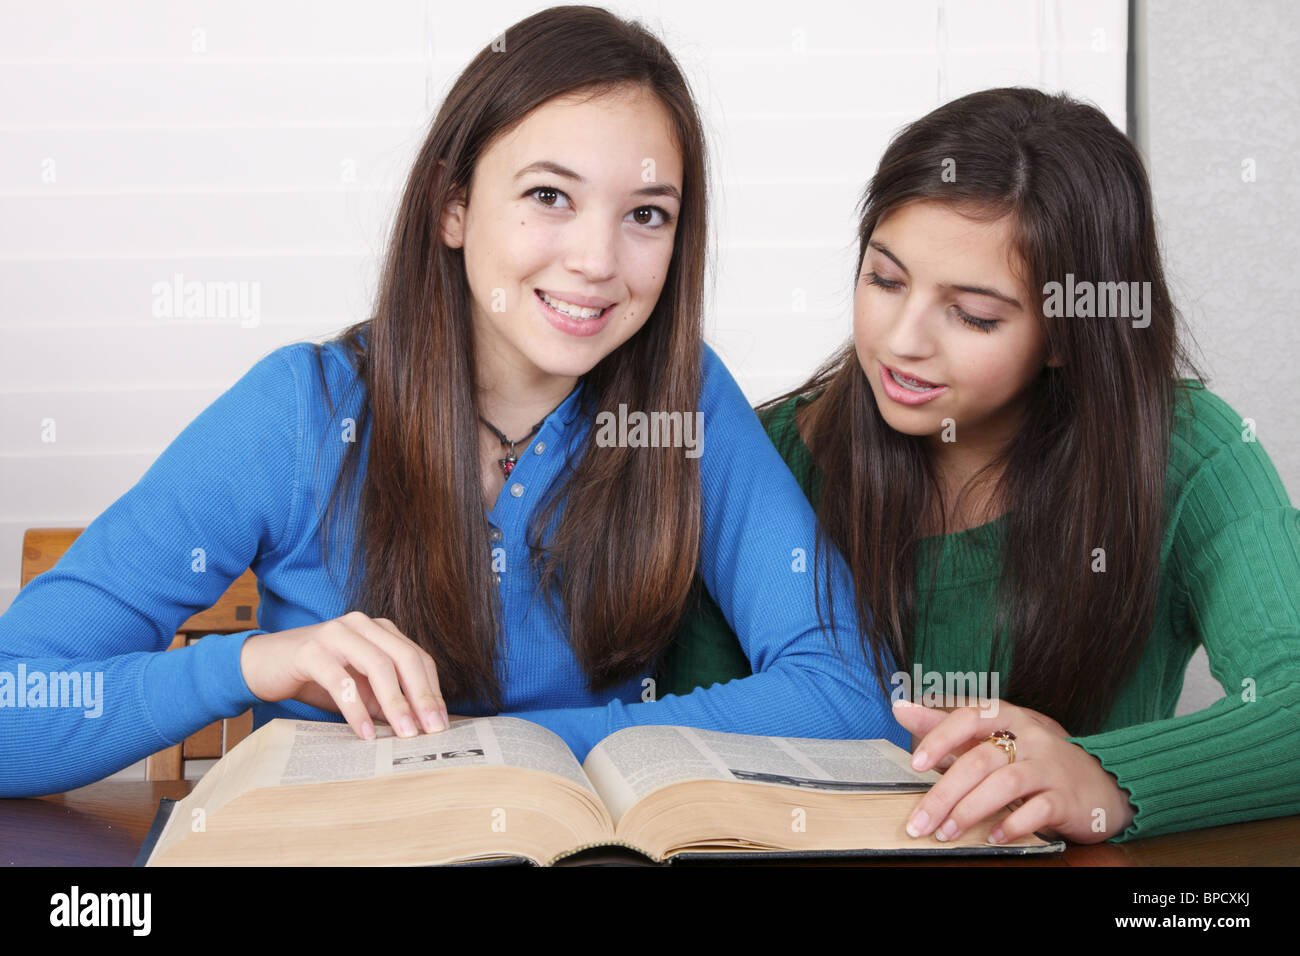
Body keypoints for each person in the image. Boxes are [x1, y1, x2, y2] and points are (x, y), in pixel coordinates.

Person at [0, 5, 908, 799]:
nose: (597, 260)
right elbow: (15, 700)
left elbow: (849, 689)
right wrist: (242, 665)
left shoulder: (684, 405)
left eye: (646, 215)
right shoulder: (298, 411)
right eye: (549, 195)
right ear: (453, 207)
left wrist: (510, 753)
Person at [658, 87, 1300, 844]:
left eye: (974, 315)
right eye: (885, 279)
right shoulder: (767, 463)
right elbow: (697, 734)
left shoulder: (1191, 453)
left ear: (1068, 333)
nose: (902, 340)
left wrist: (1098, 776)